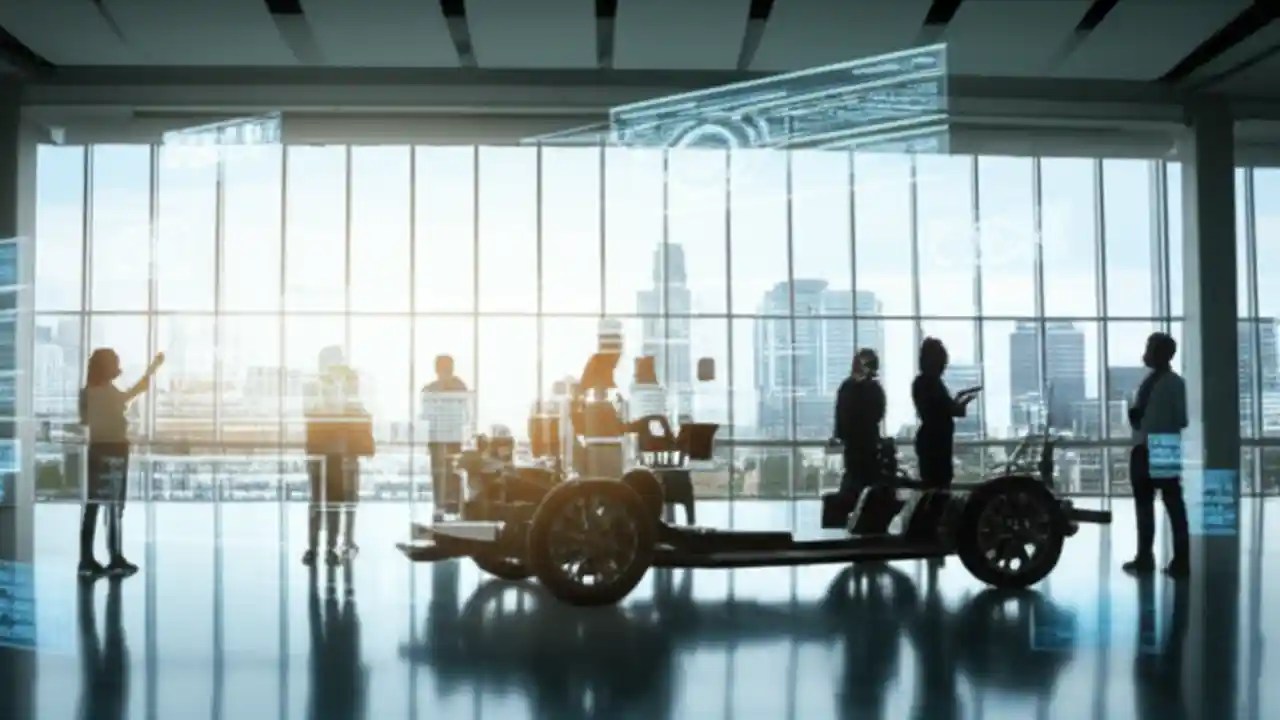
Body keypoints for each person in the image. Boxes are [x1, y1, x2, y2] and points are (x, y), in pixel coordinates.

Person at [78, 348, 164, 578]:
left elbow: (85, 419)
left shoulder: (87, 392)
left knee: (93, 505)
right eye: (115, 362)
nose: (118, 366)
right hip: (115, 449)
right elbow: (130, 396)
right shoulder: (107, 391)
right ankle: (115, 556)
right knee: (115, 506)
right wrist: (152, 370)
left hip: (97, 449)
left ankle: (87, 558)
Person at [1122, 332, 1190, 578]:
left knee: (1150, 505)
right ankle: (1175, 559)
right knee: (1171, 504)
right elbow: (1181, 419)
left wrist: (1145, 421)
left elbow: (1181, 420)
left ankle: (1148, 558)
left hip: (1147, 447)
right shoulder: (1171, 383)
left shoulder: (1160, 382)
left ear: (1162, 353)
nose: (1146, 352)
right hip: (1158, 447)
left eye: (1150, 347)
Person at [303, 348, 370, 566]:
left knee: (331, 504)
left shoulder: (345, 390)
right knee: (323, 504)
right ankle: (320, 548)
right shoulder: (317, 389)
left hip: (337, 454)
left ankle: (329, 547)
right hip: (327, 453)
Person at [911, 338, 979, 489]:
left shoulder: (923, 383)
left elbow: (939, 409)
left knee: (934, 485)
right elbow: (942, 410)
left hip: (933, 442)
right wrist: (959, 405)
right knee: (938, 486)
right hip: (936, 444)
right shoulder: (931, 384)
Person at [833, 348, 886, 495]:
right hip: (868, 443)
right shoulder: (874, 389)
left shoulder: (847, 387)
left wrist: (842, 434)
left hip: (853, 445)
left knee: (853, 482)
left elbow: (841, 416)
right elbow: (878, 414)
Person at [421, 355, 469, 517]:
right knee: (438, 472)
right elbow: (426, 414)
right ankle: (440, 505)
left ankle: (452, 505)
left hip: (453, 435)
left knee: (452, 470)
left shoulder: (459, 387)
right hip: (437, 436)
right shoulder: (430, 389)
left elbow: (465, 412)